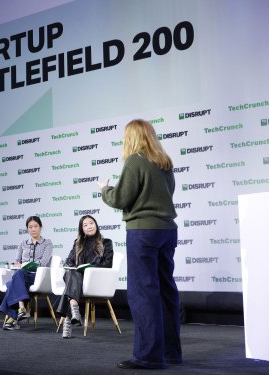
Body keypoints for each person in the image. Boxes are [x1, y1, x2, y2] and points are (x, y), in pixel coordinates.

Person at [98, 119, 182, 369]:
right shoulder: (164, 163)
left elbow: (121, 197)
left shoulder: (135, 160)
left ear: (132, 137)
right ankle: (170, 353)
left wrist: (104, 189)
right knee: (166, 291)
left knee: (144, 293)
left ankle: (148, 356)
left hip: (143, 232)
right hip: (167, 231)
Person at [56, 215, 113, 338]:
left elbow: (107, 264)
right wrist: (75, 267)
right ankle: (74, 312)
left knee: (70, 285)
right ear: (82, 229)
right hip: (76, 277)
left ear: (96, 224)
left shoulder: (106, 242)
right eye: (85, 225)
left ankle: (69, 318)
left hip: (93, 280)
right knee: (72, 273)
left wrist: (91, 268)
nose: (89, 226)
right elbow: (68, 261)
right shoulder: (77, 243)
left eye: (91, 223)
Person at [0, 216, 53, 331]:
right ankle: (21, 309)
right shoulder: (23, 243)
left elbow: (43, 262)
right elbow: (17, 261)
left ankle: (14, 316)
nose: (33, 229)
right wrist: (18, 264)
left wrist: (29, 264)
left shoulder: (47, 243)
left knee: (11, 284)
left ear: (40, 227)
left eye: (35, 226)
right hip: (23, 275)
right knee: (19, 273)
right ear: (27, 229)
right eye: (30, 227)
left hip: (37, 276)